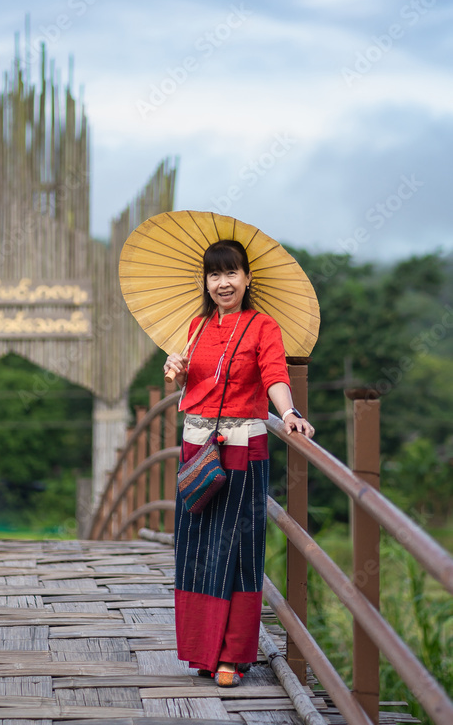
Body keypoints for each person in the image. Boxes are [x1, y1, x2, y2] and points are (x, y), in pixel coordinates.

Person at [163, 238, 315, 688]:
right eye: (214, 274)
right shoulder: (196, 327)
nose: (223, 282)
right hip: (197, 445)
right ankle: (201, 650)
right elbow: (193, 387)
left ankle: (231, 654)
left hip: (242, 446)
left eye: (231, 273)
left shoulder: (263, 326)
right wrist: (177, 369)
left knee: (237, 546)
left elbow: (275, 375)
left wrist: (288, 413)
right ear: (206, 282)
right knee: (194, 547)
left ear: (247, 278)